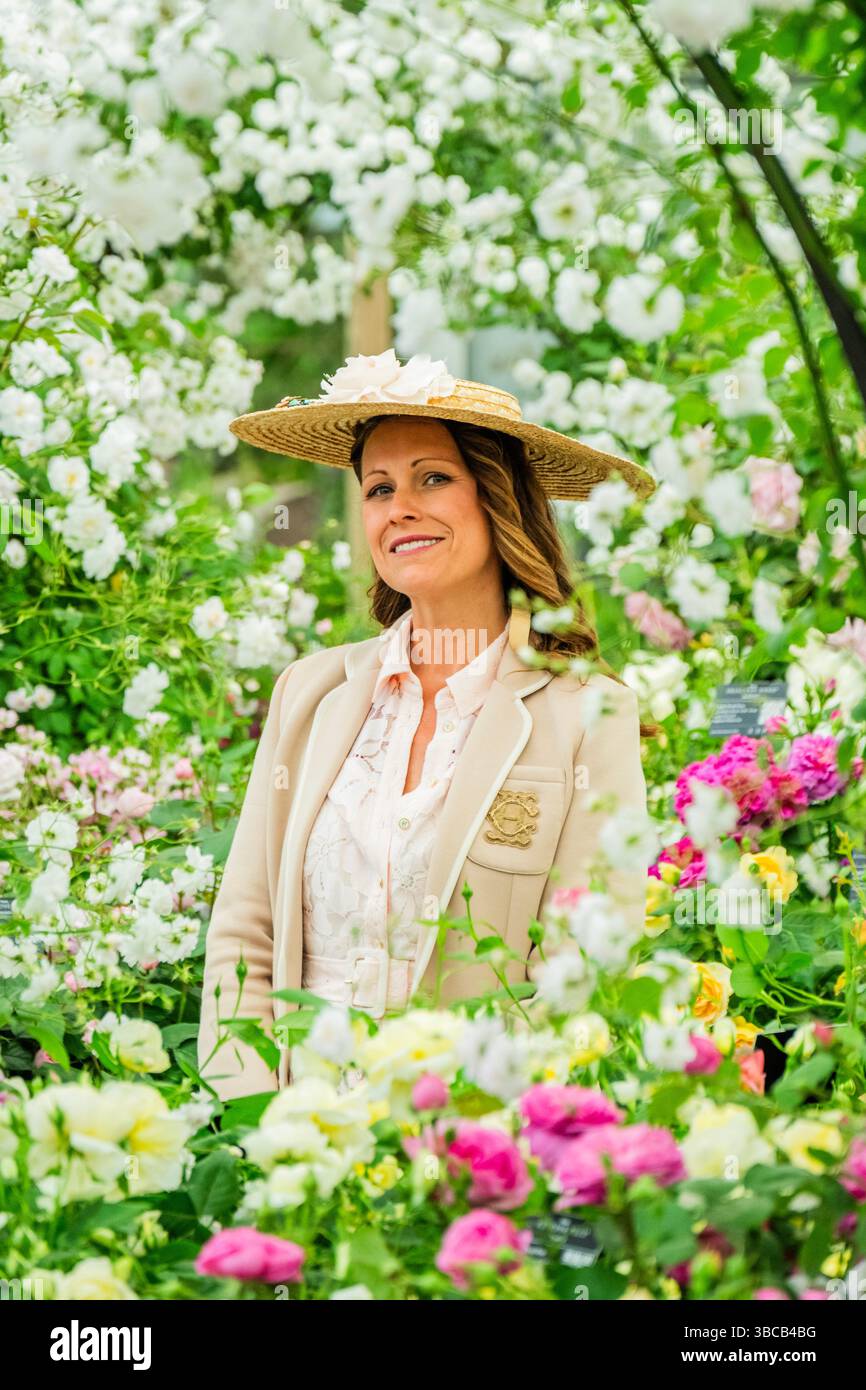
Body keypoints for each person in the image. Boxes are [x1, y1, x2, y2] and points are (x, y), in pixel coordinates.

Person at [197, 349, 656, 1101]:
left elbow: (587, 976)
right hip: (292, 1151)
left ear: (498, 499)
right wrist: (253, 1128)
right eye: (379, 488)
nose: (398, 507)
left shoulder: (587, 714)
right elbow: (244, 939)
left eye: (432, 478)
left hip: (473, 1158)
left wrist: (465, 1144)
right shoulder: (307, 695)